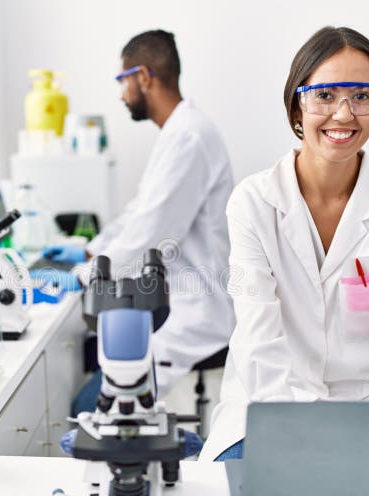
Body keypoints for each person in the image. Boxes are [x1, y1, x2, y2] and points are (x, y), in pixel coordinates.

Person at [201, 26, 369, 461]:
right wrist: (291, 441)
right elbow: (259, 338)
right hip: (267, 406)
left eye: (362, 96)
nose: (343, 114)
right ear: (297, 103)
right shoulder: (254, 202)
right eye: (325, 95)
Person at [44, 29, 235, 408]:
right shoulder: (177, 132)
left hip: (190, 312)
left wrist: (85, 275)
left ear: (144, 77)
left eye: (122, 80)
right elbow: (139, 211)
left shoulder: (189, 137)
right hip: (171, 299)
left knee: (89, 408)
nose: (120, 93)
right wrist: (90, 251)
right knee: (94, 364)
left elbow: (151, 234)